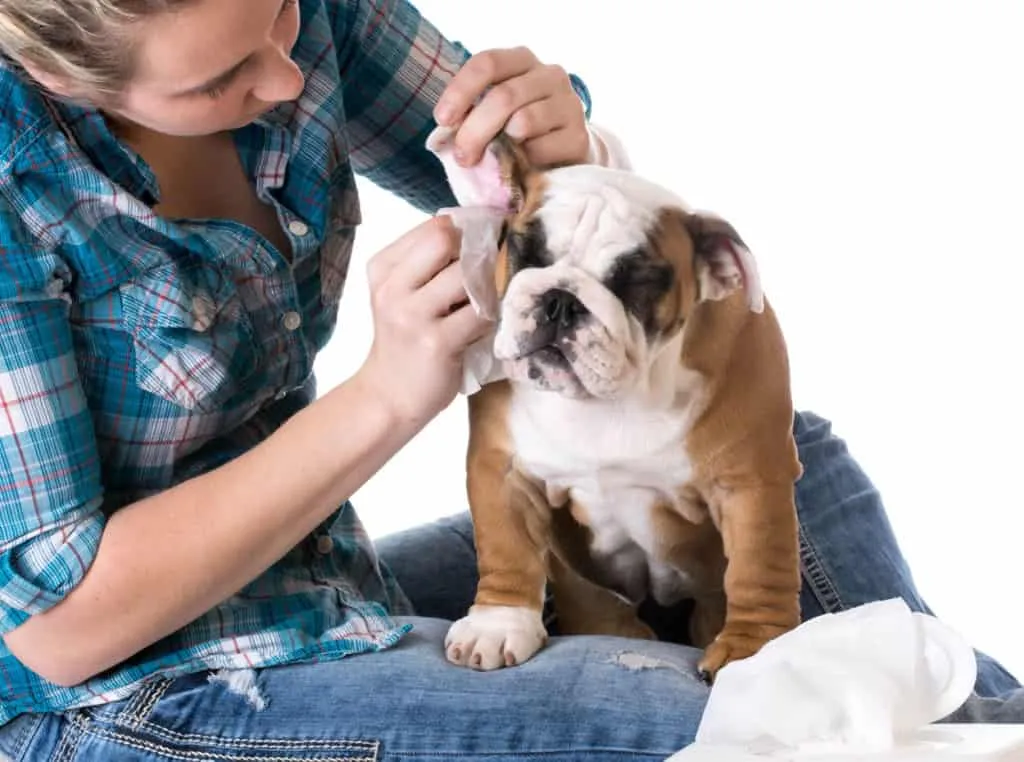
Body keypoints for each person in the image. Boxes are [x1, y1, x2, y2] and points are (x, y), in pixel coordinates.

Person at [0, 0, 1019, 759]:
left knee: (798, 468)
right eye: (220, 82)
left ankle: (990, 725)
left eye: (280, 14)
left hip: (321, 575)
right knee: (736, 718)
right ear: (54, 71)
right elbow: (61, 629)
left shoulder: (290, 21)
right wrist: (389, 396)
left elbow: (518, 178)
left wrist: (556, 135)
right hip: (132, 686)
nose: (286, 78)